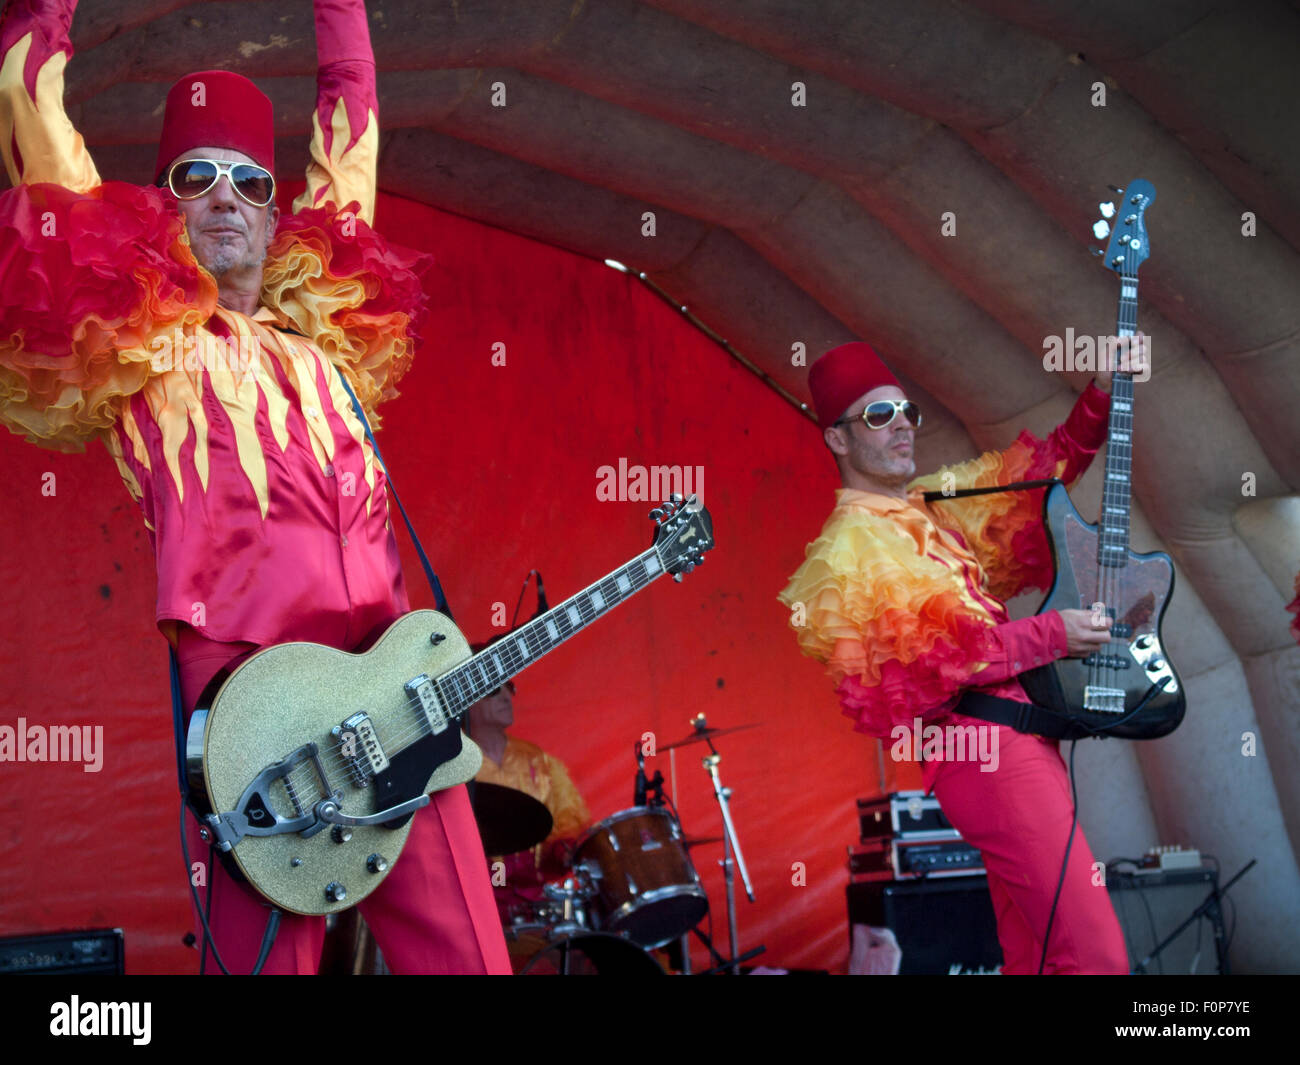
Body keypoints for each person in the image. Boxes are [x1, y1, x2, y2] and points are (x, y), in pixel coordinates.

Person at [0, 0, 509, 974]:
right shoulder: (142, 343)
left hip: (390, 684)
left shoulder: (328, 341)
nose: (226, 198)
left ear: (277, 215)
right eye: (196, 180)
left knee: (471, 962)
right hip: (250, 702)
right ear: (158, 210)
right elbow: (29, 101)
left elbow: (351, 127)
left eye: (249, 182)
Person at [779, 339, 1146, 975]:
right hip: (990, 757)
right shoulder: (851, 548)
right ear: (837, 440)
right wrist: (1053, 634)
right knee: (1097, 960)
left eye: (906, 413)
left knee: (1036, 959)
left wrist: (1103, 394)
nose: (900, 426)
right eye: (877, 416)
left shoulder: (928, 506)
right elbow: (944, 664)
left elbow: (1038, 481)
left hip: (1017, 748)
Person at [466, 670, 590, 922]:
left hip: (533, 903)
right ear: (465, 700)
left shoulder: (537, 759)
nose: (505, 697)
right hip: (473, 904)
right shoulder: (453, 765)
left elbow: (564, 826)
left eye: (508, 687)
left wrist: (564, 850)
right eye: (493, 690)